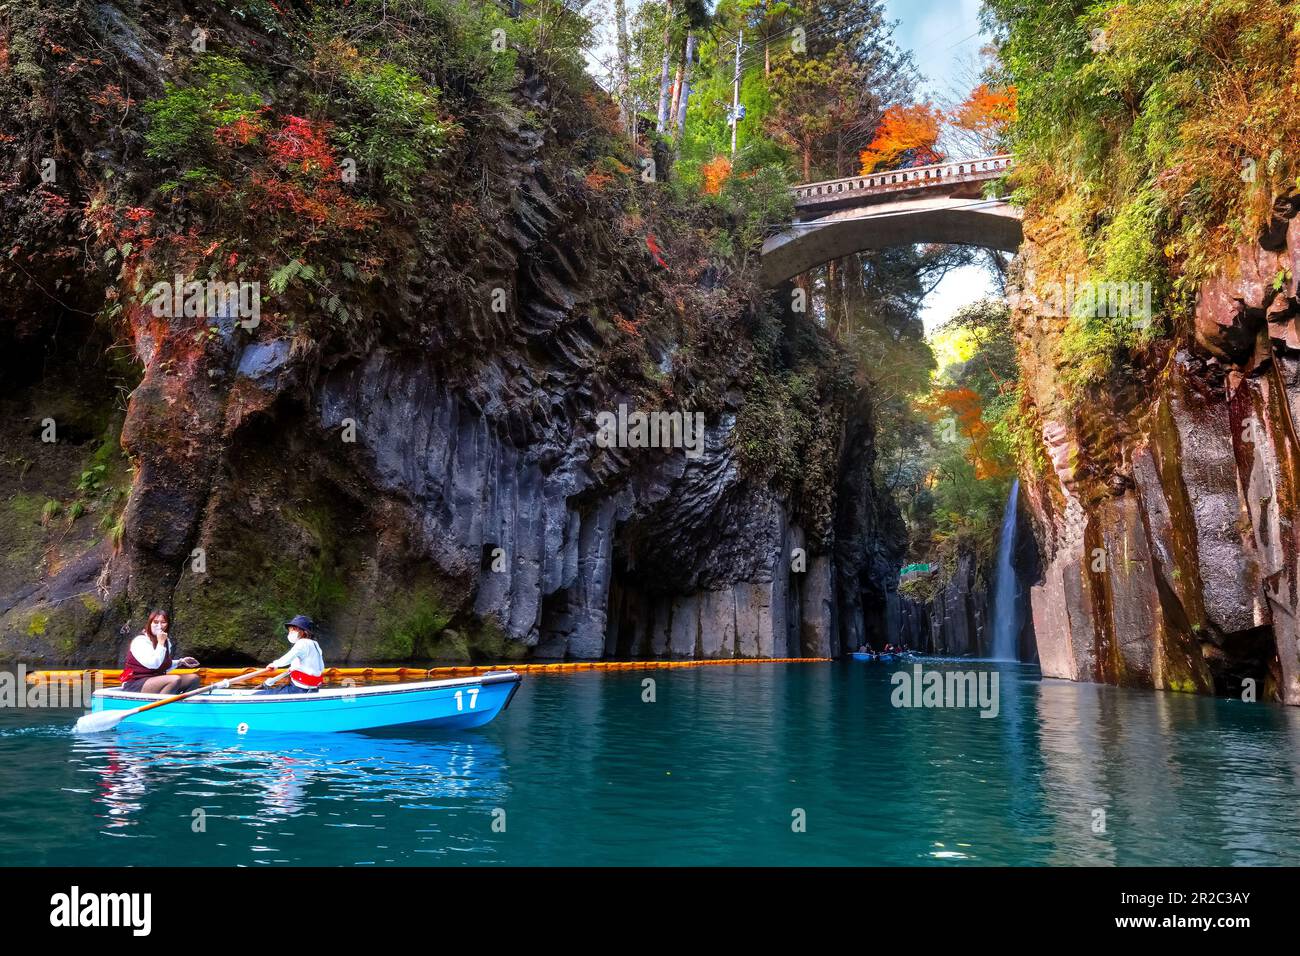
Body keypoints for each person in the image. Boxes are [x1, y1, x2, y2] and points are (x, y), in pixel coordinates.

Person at [119, 610, 201, 693]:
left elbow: (162, 664)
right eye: (155, 622)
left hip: (155, 680)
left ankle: (182, 704)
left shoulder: (166, 641)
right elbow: (154, 664)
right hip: (135, 683)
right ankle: (162, 704)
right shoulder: (140, 641)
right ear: (150, 624)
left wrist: (180, 662)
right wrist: (161, 643)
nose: (159, 626)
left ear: (167, 625)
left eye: (163, 622)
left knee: (194, 679)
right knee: (174, 680)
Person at [258, 615, 325, 694]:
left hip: (299, 690)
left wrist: (274, 664)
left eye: (294, 629)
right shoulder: (315, 644)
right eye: (290, 629)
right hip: (313, 690)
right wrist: (294, 668)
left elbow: (288, 658)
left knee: (258, 695)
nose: (291, 632)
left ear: (304, 632)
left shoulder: (302, 643)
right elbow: (321, 667)